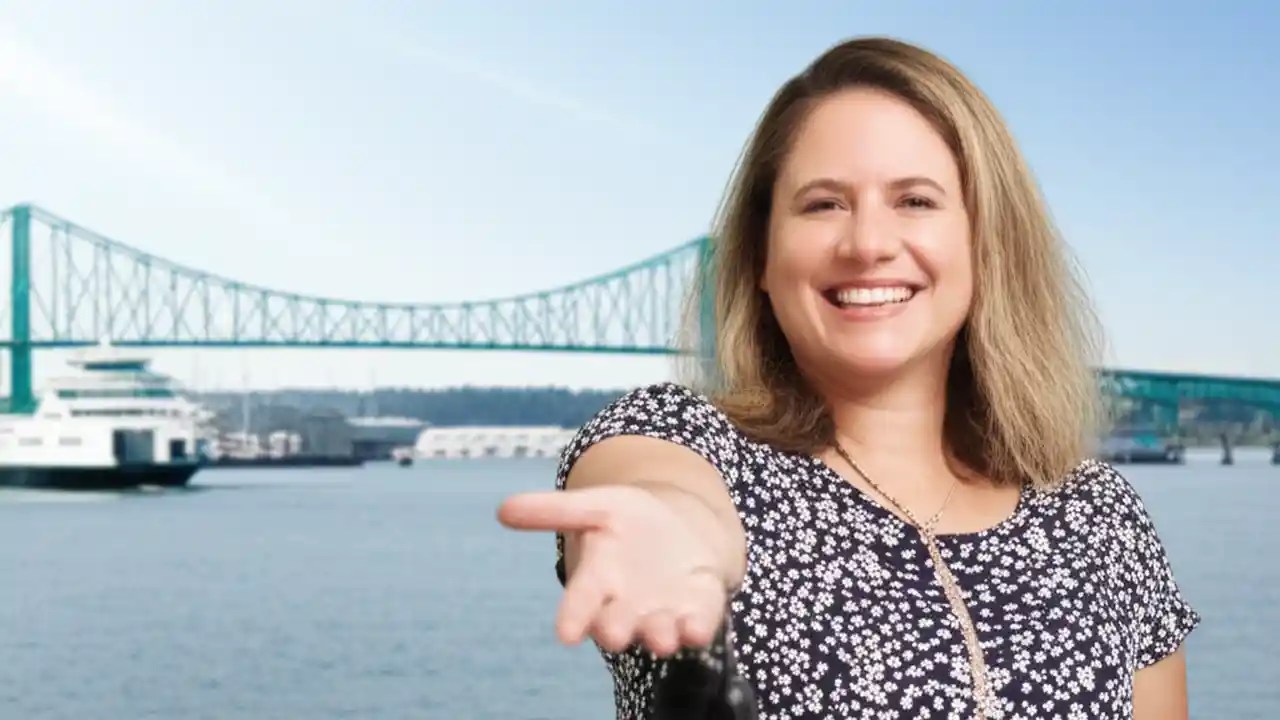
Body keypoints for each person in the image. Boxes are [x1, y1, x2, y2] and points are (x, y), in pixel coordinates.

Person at [498, 35, 1199, 720]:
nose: (867, 244)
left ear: (986, 243)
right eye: (823, 204)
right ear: (761, 258)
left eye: (915, 201)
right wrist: (677, 533)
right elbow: (662, 491)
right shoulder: (686, 439)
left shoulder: (1099, 514)